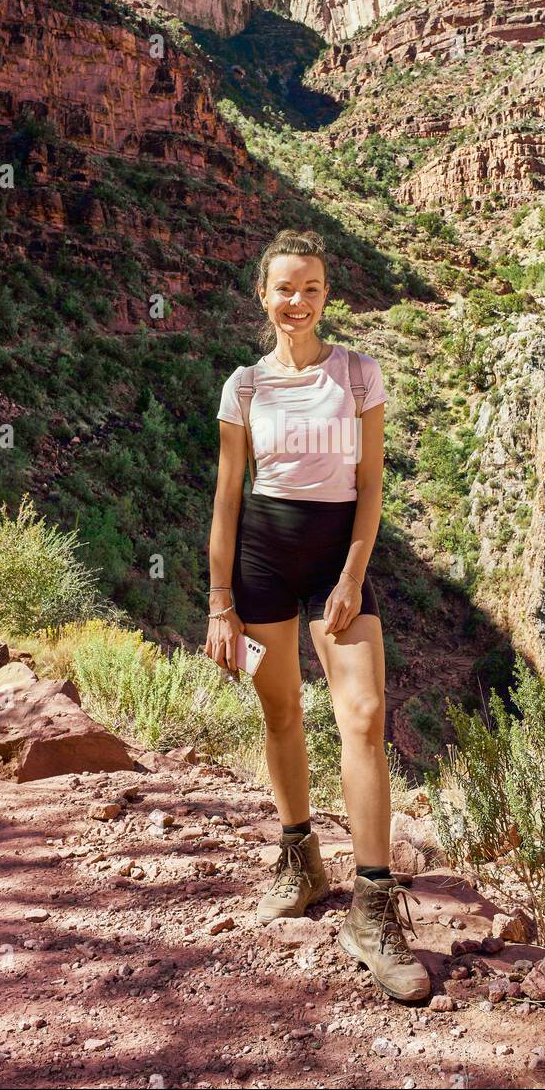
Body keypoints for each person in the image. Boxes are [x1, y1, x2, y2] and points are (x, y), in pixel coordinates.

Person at [205, 229, 430, 1003]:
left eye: (311, 289)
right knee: (280, 715)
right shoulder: (243, 386)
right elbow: (228, 498)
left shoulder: (359, 375)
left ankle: (372, 906)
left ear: (326, 297)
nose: (295, 302)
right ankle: (300, 862)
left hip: (338, 560)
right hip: (261, 563)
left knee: (363, 717)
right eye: (283, 289)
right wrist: (219, 603)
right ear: (262, 297)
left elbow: (369, 488)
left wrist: (352, 573)